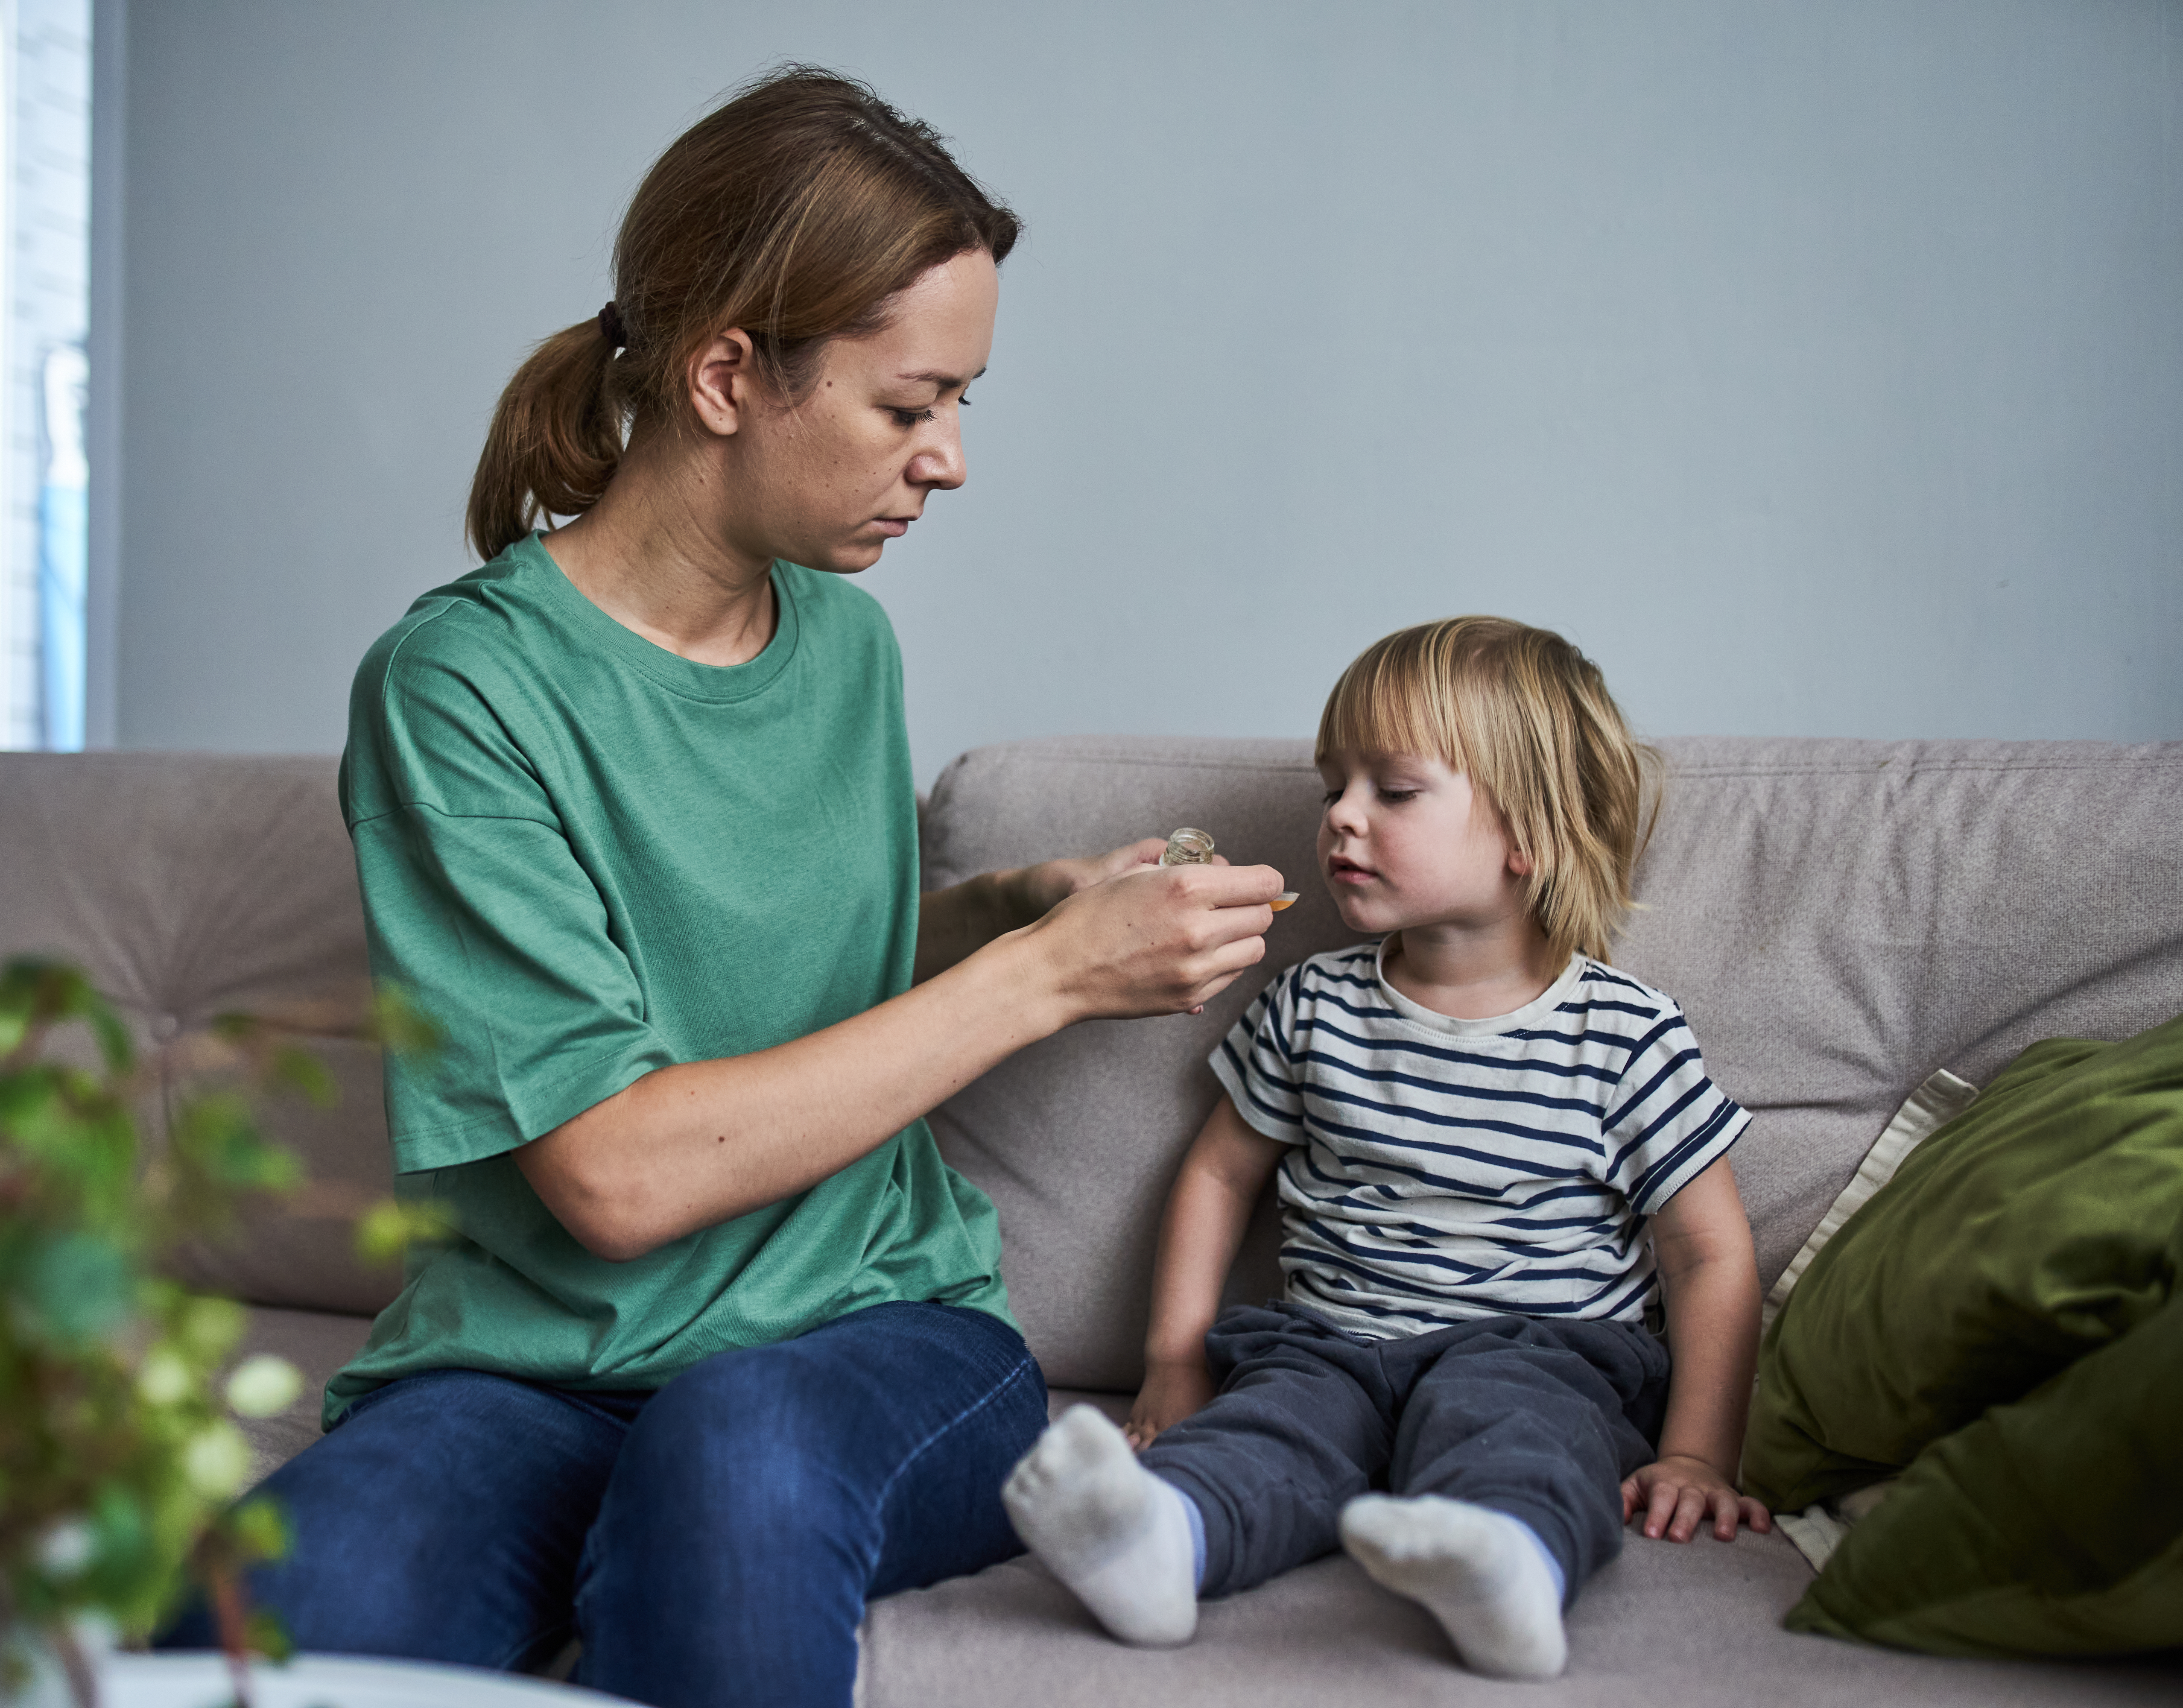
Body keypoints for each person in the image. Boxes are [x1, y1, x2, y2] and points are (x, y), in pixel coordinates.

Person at [164, 67, 1288, 1708]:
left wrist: (1013, 917)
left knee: (728, 1466)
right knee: (242, 1639)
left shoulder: (845, 637)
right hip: (533, 1364)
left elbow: (774, 966)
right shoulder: (460, 691)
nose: (951, 461)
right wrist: (1044, 981)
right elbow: (614, 1176)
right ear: (723, 377)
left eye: (963, 403)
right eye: (910, 407)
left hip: (881, 1336)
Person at [1000, 617, 1771, 1680]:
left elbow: (1708, 1252)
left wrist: (1697, 1451)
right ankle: (1164, 1540)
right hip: (1329, 1346)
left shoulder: (1626, 1034)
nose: (1342, 820)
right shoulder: (1313, 1005)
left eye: (1393, 791)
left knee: (1519, 1431)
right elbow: (1222, 1173)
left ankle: (1511, 1563)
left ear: (1530, 833)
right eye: (1333, 789)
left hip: (1540, 1350)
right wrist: (1174, 1359)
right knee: (1268, 1431)